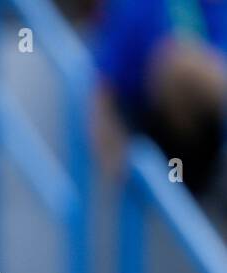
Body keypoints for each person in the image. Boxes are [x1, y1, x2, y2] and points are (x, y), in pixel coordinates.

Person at [92, 0, 227, 196]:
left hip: (211, 137)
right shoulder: (143, 7)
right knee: (183, 65)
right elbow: (104, 89)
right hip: (165, 136)